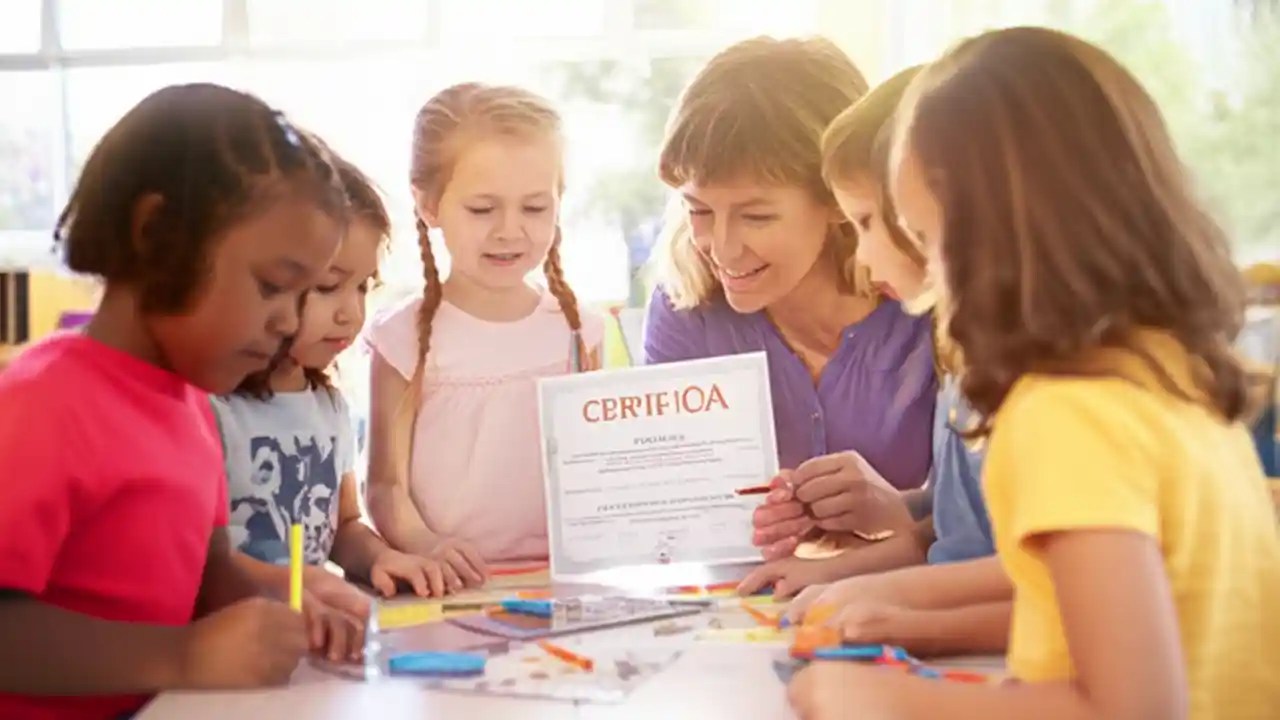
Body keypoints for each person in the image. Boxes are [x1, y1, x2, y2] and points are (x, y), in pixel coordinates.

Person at [789, 27, 1280, 720]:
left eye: (925, 237)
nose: (870, 263)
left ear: (994, 236)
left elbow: (1132, 709)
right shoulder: (1172, 373)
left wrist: (884, 700)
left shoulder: (1064, 413)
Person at [0, 83, 345, 718]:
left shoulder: (192, 409)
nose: (290, 323)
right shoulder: (43, 404)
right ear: (157, 234)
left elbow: (209, 574)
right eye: (273, 286)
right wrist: (183, 655)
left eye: (302, 298)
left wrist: (286, 603)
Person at [643, 37, 938, 566]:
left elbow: (979, 519)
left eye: (756, 217)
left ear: (837, 198)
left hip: (909, 590)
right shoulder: (686, 307)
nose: (722, 249)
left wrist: (900, 511)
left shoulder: (924, 302)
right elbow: (674, 511)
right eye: (699, 210)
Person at [365, 83, 604, 591]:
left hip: (561, 586)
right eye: (482, 209)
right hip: (448, 586)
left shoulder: (579, 330)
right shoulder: (403, 339)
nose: (509, 231)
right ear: (428, 205)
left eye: (534, 208)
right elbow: (386, 487)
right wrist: (426, 545)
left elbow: (598, 470)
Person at [215, 156, 446, 664]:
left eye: (362, 286)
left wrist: (381, 558)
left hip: (311, 648)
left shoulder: (330, 407)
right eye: (326, 287)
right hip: (233, 652)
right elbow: (198, 565)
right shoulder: (213, 409)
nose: (351, 312)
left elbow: (343, 526)